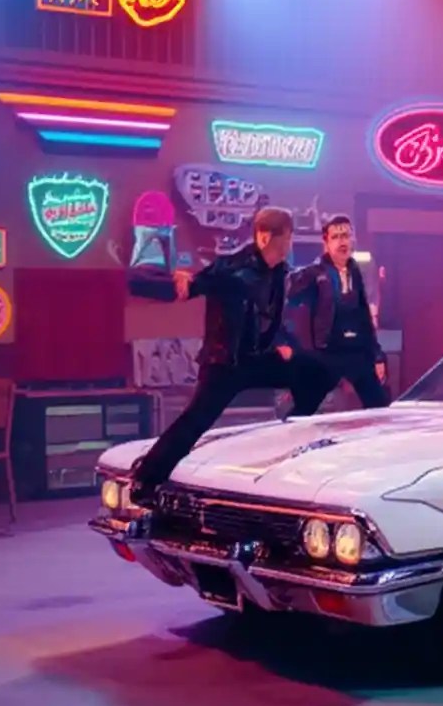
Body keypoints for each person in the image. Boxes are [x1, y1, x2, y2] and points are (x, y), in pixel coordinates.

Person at [126, 207, 329, 504]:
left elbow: (273, 314)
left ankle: (288, 428)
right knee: (196, 420)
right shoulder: (232, 268)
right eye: (287, 238)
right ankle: (146, 478)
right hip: (226, 361)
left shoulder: (281, 273)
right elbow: (189, 287)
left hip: (259, 359)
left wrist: (282, 344)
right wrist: (174, 282)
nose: (290, 244)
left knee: (318, 373)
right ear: (265, 237)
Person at [285, 215, 390, 413]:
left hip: (358, 352)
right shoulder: (314, 274)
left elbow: (364, 316)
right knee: (303, 409)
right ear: (326, 241)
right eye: (336, 237)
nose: (343, 242)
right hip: (328, 353)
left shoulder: (356, 271)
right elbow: (289, 305)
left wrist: (377, 355)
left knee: (380, 407)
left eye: (346, 236)